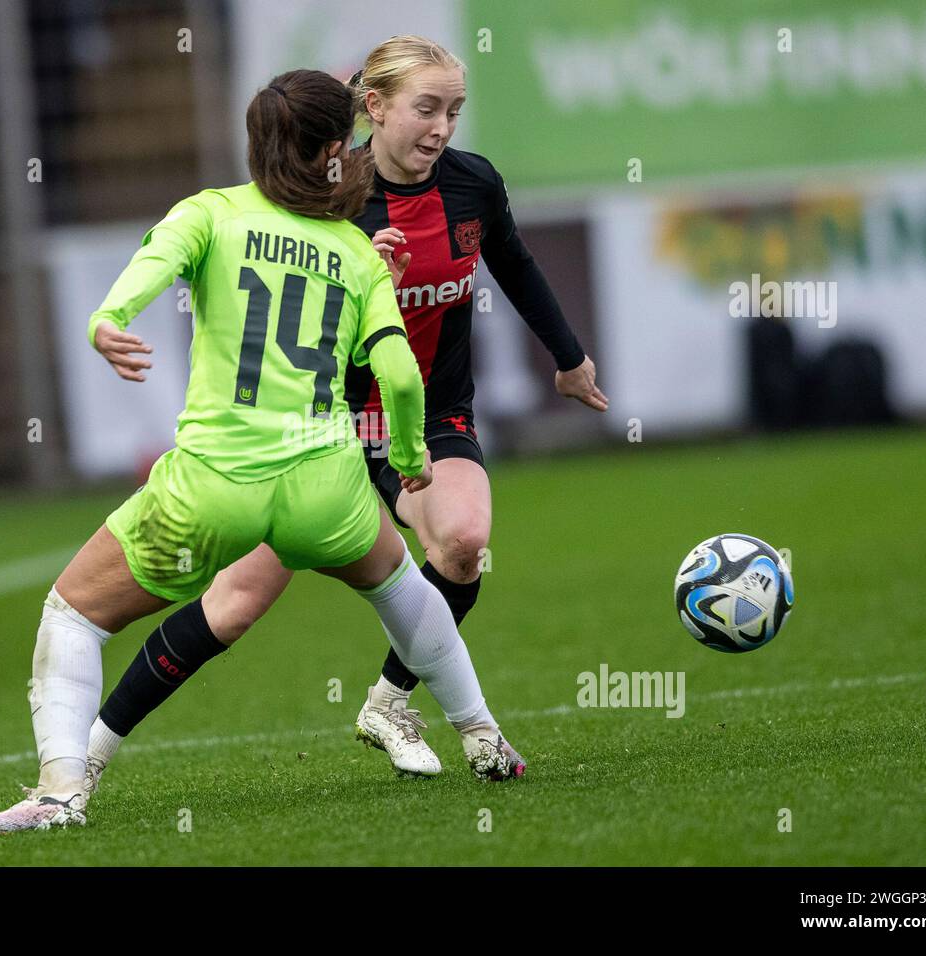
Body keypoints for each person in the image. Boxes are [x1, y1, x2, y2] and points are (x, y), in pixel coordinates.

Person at [0, 68, 524, 837]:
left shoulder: (211, 212)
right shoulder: (355, 249)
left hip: (216, 481)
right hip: (326, 487)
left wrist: (108, 319)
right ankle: (483, 735)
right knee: (406, 591)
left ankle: (62, 795)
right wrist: (406, 454)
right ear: (334, 151)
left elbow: (153, 266)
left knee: (75, 615)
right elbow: (398, 373)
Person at [83, 35, 608, 785]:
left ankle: (390, 703)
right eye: (426, 108)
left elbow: (515, 263)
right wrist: (370, 276)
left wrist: (569, 358)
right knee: (233, 608)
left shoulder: (474, 185)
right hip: (322, 430)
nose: (442, 127)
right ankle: (87, 756)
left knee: (463, 542)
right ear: (375, 108)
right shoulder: (330, 200)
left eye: (454, 110)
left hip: (430, 416)